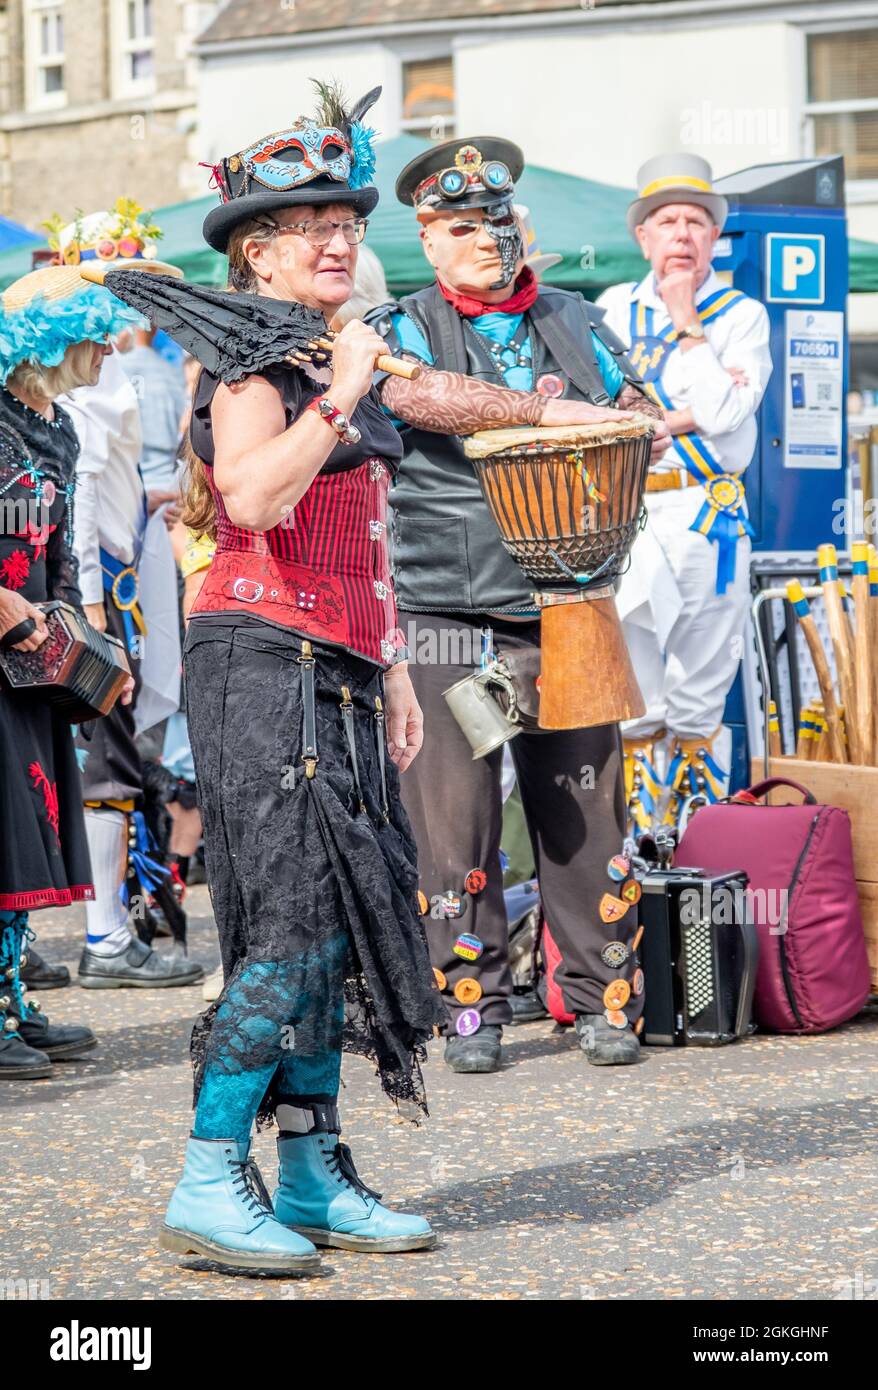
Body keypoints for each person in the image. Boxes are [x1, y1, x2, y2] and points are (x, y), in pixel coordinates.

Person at [100, 83, 446, 1274]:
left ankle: (308, 1169)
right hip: (257, 661)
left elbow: (365, 531)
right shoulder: (247, 364)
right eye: (310, 226)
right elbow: (252, 497)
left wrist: (394, 667)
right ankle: (208, 1177)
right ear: (255, 249)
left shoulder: (314, 351)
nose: (339, 238)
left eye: (346, 222)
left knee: (338, 934)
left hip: (341, 665)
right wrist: (344, 392)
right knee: (288, 929)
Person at [366, 137, 670, 1073]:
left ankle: (602, 1001)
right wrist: (544, 415)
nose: (488, 238)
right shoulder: (401, 325)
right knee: (452, 818)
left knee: (585, 808)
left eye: (499, 220)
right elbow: (420, 401)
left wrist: (633, 429)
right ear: (429, 237)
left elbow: (643, 411)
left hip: (570, 603)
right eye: (464, 226)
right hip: (447, 605)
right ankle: (472, 1008)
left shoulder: (578, 317)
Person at [44, 203, 202, 986]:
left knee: (116, 758)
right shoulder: (87, 382)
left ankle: (109, 926)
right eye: (121, 285)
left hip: (121, 581)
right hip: (96, 590)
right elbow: (76, 501)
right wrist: (96, 619)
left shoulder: (121, 371)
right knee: (103, 760)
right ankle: (103, 933)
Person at [597, 155, 772, 829]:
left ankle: (699, 848)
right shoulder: (612, 308)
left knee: (700, 690)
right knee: (636, 689)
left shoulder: (741, 314)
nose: (681, 234)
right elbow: (605, 407)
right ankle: (640, 848)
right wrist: (694, 402)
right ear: (643, 237)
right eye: (666, 220)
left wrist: (684, 318)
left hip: (707, 512)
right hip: (630, 513)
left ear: (713, 238)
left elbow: (727, 416)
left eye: (696, 221)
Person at [0, 264, 137, 1078]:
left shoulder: (61, 425)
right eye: (94, 333)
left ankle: (13, 993)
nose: (110, 350)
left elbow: (59, 548)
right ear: (46, 339)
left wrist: (78, 631)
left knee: (26, 840)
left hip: (30, 664)